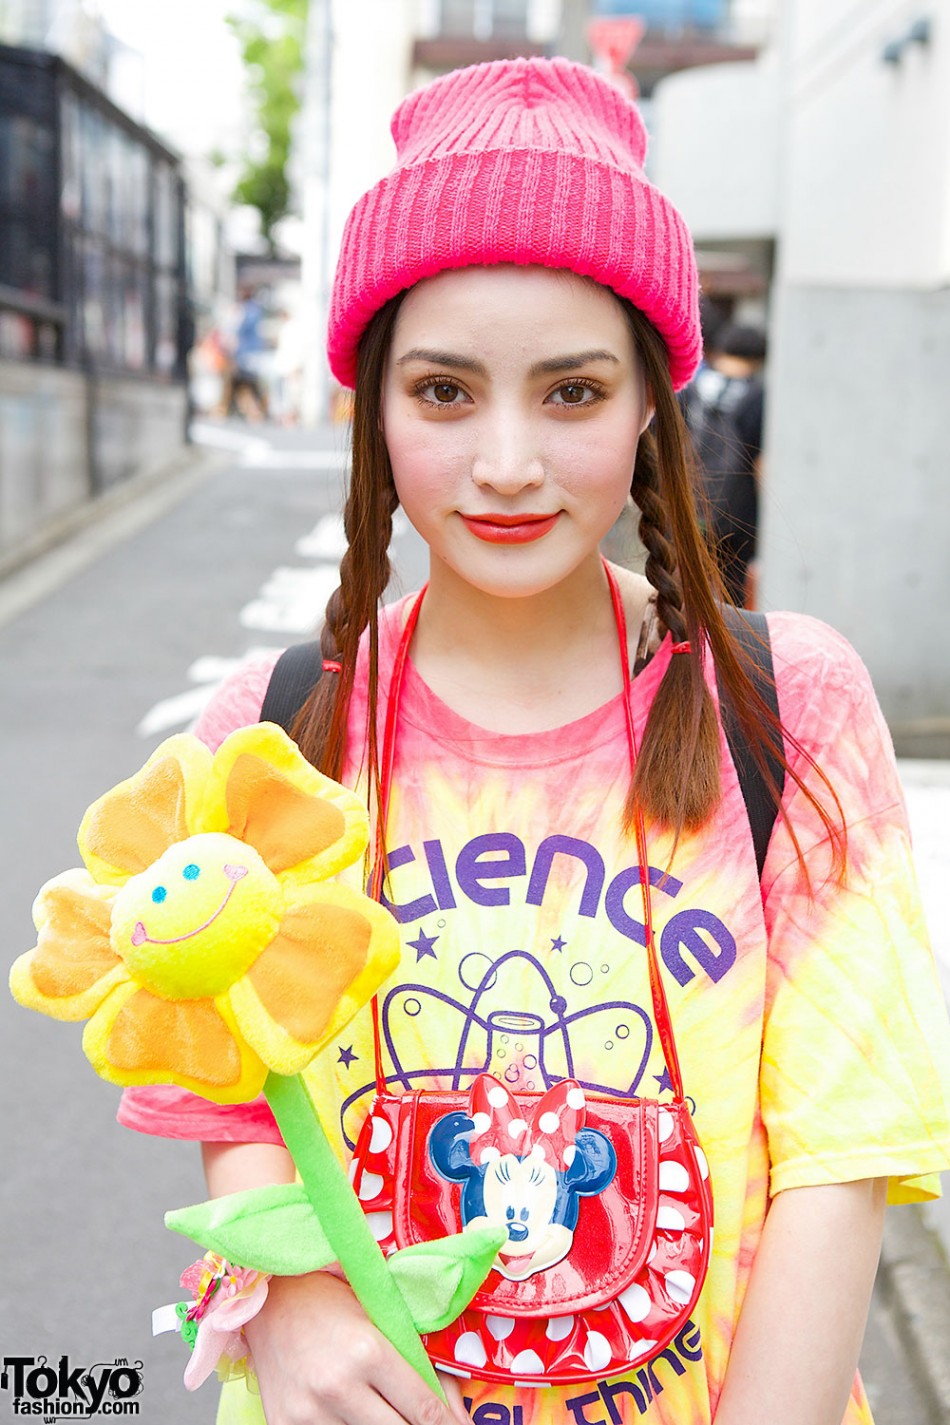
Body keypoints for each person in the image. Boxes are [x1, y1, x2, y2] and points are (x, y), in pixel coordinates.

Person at [118, 57, 950, 1425]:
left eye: (570, 393)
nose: (506, 461)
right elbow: (230, 1091)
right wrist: (293, 1303)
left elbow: (837, 1154)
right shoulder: (275, 732)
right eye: (444, 392)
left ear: (649, 403)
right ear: (375, 405)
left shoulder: (787, 705)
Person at [683, 323, 767, 607]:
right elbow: (760, 461)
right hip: (737, 510)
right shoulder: (758, 397)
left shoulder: (689, 390)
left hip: (688, 501)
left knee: (683, 583)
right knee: (732, 589)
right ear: (758, 359)